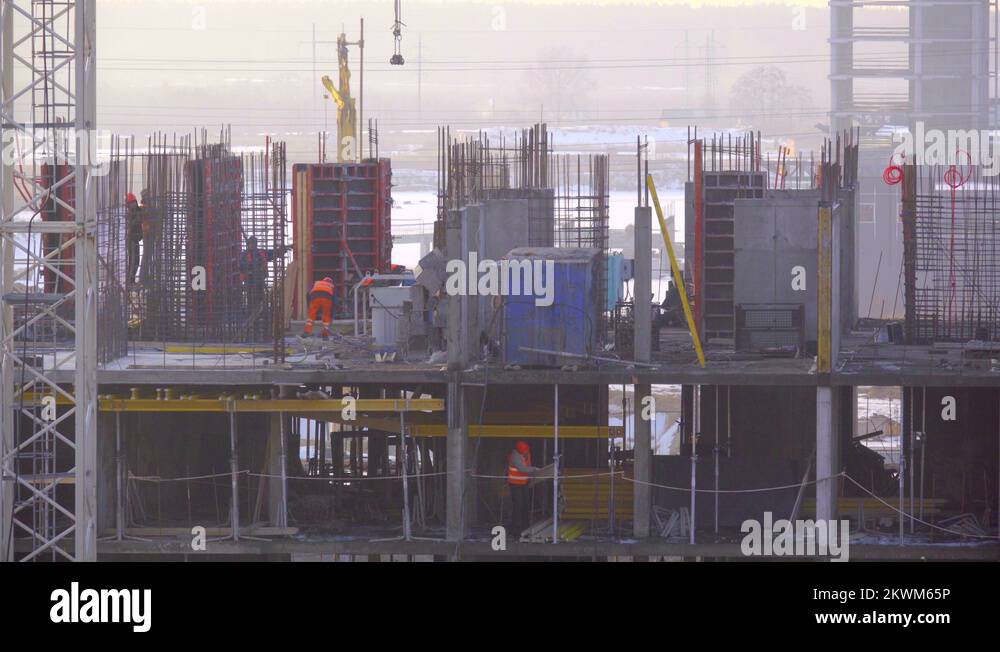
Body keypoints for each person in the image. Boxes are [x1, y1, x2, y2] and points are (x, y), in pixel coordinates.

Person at [238, 235, 287, 317]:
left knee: (260, 299)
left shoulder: (261, 253)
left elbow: (273, 253)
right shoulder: (245, 254)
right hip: (250, 281)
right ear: (249, 244)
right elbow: (242, 266)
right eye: (252, 243)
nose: (253, 245)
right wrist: (252, 266)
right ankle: (252, 316)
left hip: (259, 280)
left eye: (254, 243)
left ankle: (259, 315)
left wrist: (283, 250)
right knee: (252, 299)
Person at [507, 440, 540, 537]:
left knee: (525, 505)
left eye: (526, 451)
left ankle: (525, 526)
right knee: (518, 505)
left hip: (524, 483)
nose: (526, 452)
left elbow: (528, 466)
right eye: (524, 451)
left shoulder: (527, 454)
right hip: (515, 484)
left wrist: (530, 480)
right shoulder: (515, 456)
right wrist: (534, 469)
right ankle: (515, 529)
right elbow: (522, 468)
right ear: (519, 451)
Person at [137, 189, 160, 286]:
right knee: (146, 257)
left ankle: (145, 277)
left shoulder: (147, 207)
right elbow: (150, 217)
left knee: (148, 257)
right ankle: (143, 278)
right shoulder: (143, 208)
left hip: (150, 234)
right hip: (147, 235)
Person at [125, 193, 142, 285]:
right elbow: (131, 224)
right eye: (131, 203)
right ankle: (130, 281)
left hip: (135, 239)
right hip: (132, 240)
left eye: (134, 202)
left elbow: (142, 210)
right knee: (133, 261)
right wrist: (138, 218)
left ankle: (131, 280)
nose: (133, 204)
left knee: (136, 261)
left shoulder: (137, 211)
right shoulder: (129, 214)